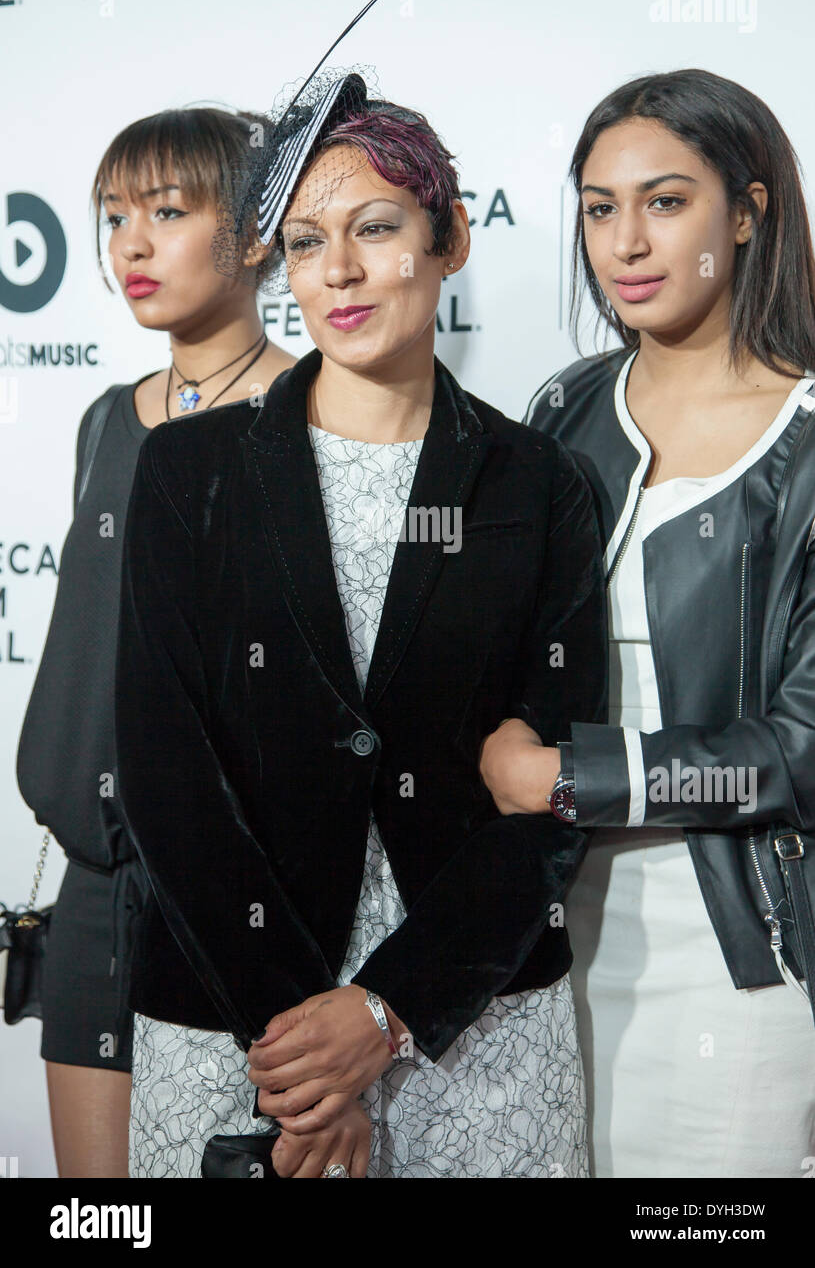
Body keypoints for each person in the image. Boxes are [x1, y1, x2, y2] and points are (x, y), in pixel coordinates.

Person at [115, 71, 608, 1179]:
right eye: (301, 241)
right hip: (233, 1016)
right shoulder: (188, 471)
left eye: (375, 227)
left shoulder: (538, 482)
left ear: (451, 239)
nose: (334, 270)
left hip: (470, 1023)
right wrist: (300, 1048)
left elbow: (556, 786)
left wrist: (386, 1010)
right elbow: (162, 769)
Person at [479, 67, 815, 1178]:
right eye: (597, 206)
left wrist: (565, 777)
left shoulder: (804, 442)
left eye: (665, 202)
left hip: (734, 948)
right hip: (535, 942)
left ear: (747, 210)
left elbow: (797, 749)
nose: (624, 240)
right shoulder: (562, 410)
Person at [16, 106, 294, 1178]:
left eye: (168, 212)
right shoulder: (103, 417)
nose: (130, 244)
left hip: (235, 895)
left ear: (256, 234)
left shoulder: (306, 415)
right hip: (93, 884)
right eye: (115, 215)